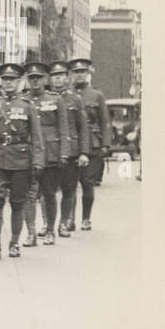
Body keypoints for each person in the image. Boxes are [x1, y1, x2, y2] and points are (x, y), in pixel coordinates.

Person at [0, 63, 45, 261]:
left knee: (17, 204)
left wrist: (38, 163)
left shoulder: (27, 107)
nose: (8, 83)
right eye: (4, 79)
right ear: (0, 81)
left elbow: (37, 139)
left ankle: (14, 243)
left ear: (20, 82)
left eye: (12, 80)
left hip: (21, 161)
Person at [20, 62, 70, 247]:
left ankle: (50, 230)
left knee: (49, 194)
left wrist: (64, 154)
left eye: (38, 78)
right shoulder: (23, 100)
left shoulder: (55, 99)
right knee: (29, 196)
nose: (35, 82)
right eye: (31, 78)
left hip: (50, 153)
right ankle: (31, 233)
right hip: (28, 154)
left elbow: (63, 129)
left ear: (45, 79)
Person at [69, 58, 111, 229]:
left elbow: (105, 122)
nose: (80, 76)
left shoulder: (96, 95)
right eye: (76, 72)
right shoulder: (66, 94)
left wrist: (106, 145)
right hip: (72, 143)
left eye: (83, 73)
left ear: (88, 75)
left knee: (87, 183)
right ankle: (69, 219)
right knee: (70, 183)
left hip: (93, 145)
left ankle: (86, 218)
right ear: (72, 75)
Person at [50, 60, 90, 237]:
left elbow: (83, 128)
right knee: (48, 190)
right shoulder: (46, 98)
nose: (57, 80)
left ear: (67, 78)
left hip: (72, 150)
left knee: (68, 188)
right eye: (54, 76)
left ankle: (64, 222)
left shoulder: (76, 99)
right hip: (51, 150)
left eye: (61, 76)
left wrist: (83, 152)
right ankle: (47, 224)